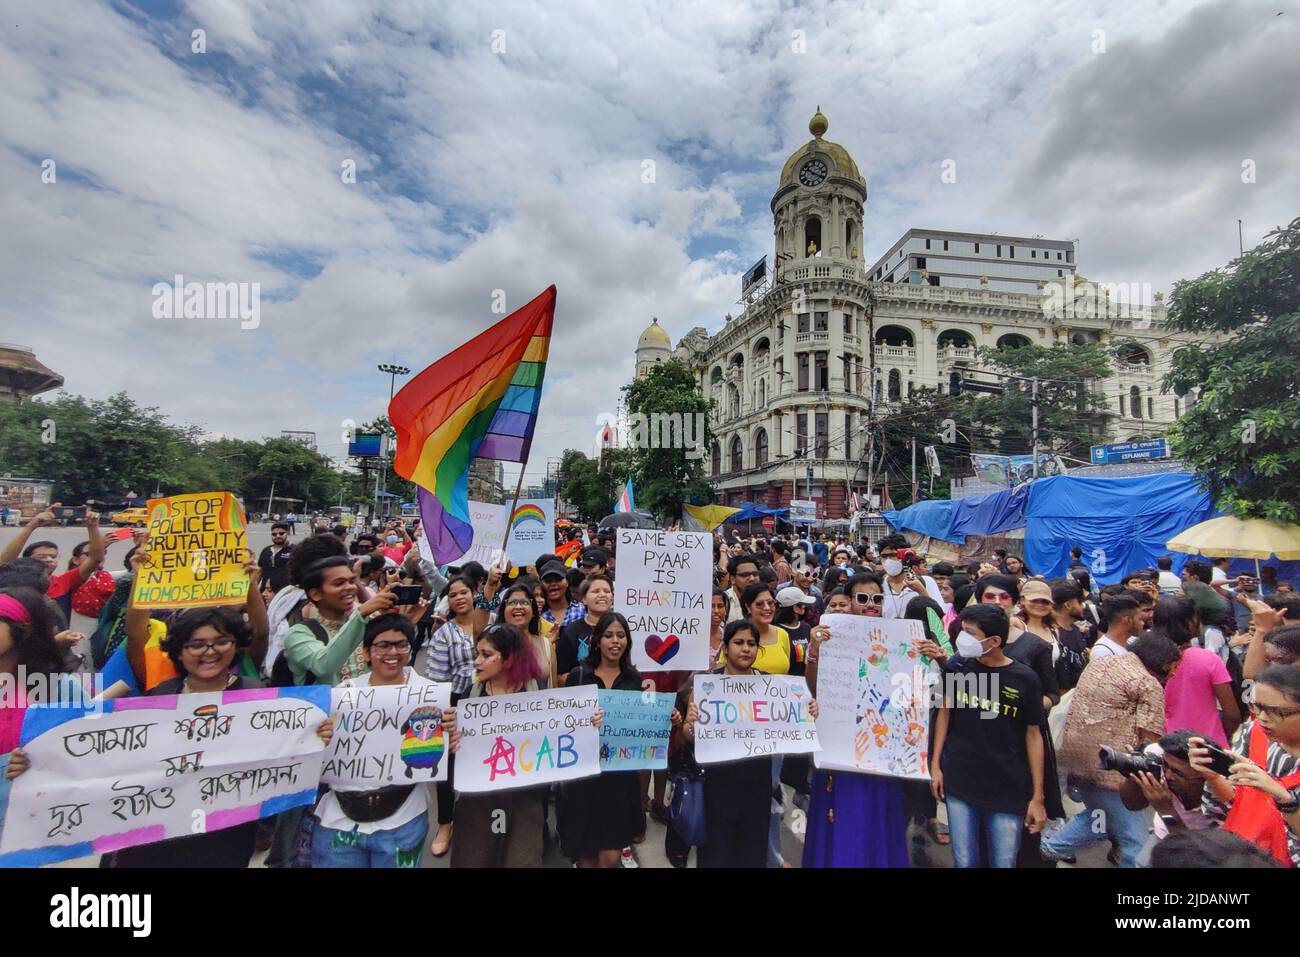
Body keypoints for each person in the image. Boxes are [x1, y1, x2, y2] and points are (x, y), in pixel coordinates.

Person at [312, 614, 445, 868]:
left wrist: (451, 734)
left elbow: (437, 756)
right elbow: (314, 756)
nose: (392, 652)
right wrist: (319, 738)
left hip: (403, 821)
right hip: (339, 823)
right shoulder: (342, 695)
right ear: (366, 651)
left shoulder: (430, 695)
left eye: (401, 644)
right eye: (383, 645)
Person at [682, 620, 818, 867]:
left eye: (751, 644)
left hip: (757, 784)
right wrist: (690, 723)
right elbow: (689, 737)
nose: (745, 649)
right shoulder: (707, 685)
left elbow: (794, 722)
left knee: (752, 852)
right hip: (717, 784)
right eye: (738, 643)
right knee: (716, 853)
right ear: (725, 647)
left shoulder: (771, 686)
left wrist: (808, 710)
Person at [1042, 633, 1181, 867]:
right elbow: (1150, 742)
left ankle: (1044, 850)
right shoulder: (1147, 683)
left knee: (1100, 820)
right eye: (1174, 666)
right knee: (1135, 844)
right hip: (1113, 772)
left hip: (1076, 760)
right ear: (1162, 661)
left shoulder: (1101, 663)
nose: (1175, 673)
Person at [802, 571, 911, 867]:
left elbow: (910, 693)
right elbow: (814, 688)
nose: (871, 605)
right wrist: (814, 650)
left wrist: (932, 658)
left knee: (878, 811)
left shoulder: (900, 637)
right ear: (848, 602)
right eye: (863, 598)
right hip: (841, 745)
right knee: (844, 812)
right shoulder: (830, 637)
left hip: (882, 747)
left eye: (877, 598)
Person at [931, 603, 1046, 867]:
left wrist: (1037, 796)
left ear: (994, 640)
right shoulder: (958, 666)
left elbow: (1033, 735)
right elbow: (944, 714)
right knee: (964, 859)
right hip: (960, 778)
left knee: (1003, 860)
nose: (963, 637)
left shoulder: (1024, 678)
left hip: (1007, 785)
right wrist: (936, 766)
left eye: (970, 633)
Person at [446, 623, 554, 867]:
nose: (477, 662)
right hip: (477, 802)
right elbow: (454, 750)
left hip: (525, 801)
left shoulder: (536, 693)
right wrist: (451, 739)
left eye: (486, 655)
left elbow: (557, 736)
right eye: (477, 654)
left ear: (509, 659)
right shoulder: (470, 693)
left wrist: (588, 721)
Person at [558, 611, 643, 867]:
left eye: (621, 635)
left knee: (610, 856)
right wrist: (586, 723)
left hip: (618, 779)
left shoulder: (634, 679)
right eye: (608, 635)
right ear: (597, 640)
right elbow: (565, 724)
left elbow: (639, 725)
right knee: (586, 856)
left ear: (627, 641)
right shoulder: (579, 676)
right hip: (584, 779)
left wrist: (665, 717)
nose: (615, 641)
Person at [1194, 664, 1300, 867]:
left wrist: (1284, 799)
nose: (1262, 718)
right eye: (1256, 707)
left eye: (1276, 712)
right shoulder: (1253, 733)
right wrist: (1213, 776)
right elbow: (1234, 802)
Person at [422, 575, 481, 857]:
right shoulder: (444, 634)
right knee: (448, 765)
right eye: (453, 594)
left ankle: (478, 821)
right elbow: (436, 680)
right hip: (456, 704)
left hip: (492, 702)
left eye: (464, 592)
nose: (459, 598)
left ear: (475, 592)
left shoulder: (491, 620)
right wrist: (447, 711)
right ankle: (446, 823)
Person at [1116, 729, 1214, 866]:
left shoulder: (1219, 800)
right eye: (1165, 766)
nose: (1167, 775)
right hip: (1162, 835)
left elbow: (1193, 856)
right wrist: (1134, 775)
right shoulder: (1157, 754)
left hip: (1198, 852)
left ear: (1203, 776)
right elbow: (1132, 805)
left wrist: (1166, 810)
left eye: (1177, 772)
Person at [1152, 595, 1240, 745]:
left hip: (1166, 746)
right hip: (1209, 746)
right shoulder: (1208, 659)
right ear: (1190, 623)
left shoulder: (1146, 659)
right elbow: (1232, 714)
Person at [554, 575, 614, 686]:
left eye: (607, 591)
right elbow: (559, 676)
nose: (602, 595)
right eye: (595, 591)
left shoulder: (619, 628)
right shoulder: (571, 631)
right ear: (584, 599)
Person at [497, 581, 552, 686]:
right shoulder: (492, 643)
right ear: (503, 611)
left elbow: (553, 687)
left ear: (533, 612)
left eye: (525, 602)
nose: (518, 607)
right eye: (512, 602)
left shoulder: (546, 645)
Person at [1088, 593, 1144, 663]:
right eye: (1140, 619)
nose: (1143, 623)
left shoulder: (1131, 642)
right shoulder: (1102, 652)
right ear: (1128, 620)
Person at [539, 560, 585, 627]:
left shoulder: (582, 610)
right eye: (548, 581)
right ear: (540, 584)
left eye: (558, 579)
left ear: (567, 582)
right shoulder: (537, 614)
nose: (553, 584)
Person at [258, 522, 294, 594]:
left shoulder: (295, 550)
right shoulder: (266, 550)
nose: (277, 536)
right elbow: (259, 572)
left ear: (287, 533)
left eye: (281, 533)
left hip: (285, 594)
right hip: (265, 593)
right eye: (274, 534)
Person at [725, 554, 761, 623]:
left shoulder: (767, 600)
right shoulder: (724, 602)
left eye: (755, 574)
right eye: (745, 575)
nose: (752, 578)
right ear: (733, 579)